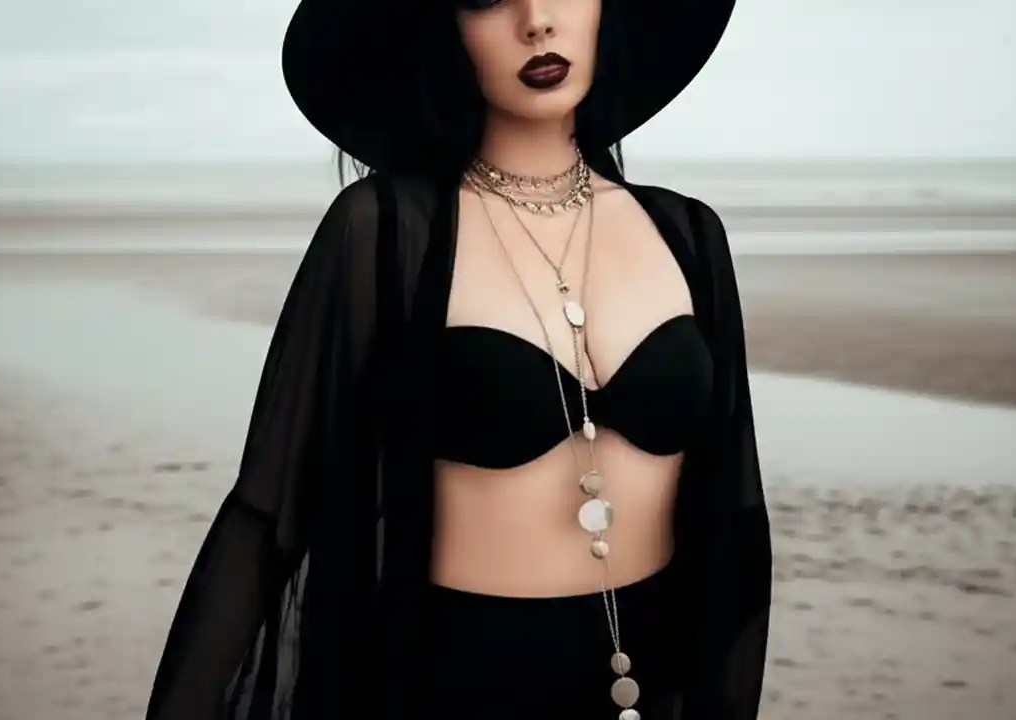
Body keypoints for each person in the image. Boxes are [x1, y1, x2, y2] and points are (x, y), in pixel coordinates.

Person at [144, 0, 771, 718]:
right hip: (457, 683)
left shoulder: (688, 234)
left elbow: (736, 516)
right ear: (442, 27)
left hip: (655, 681)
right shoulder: (383, 230)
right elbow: (268, 512)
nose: (536, 21)